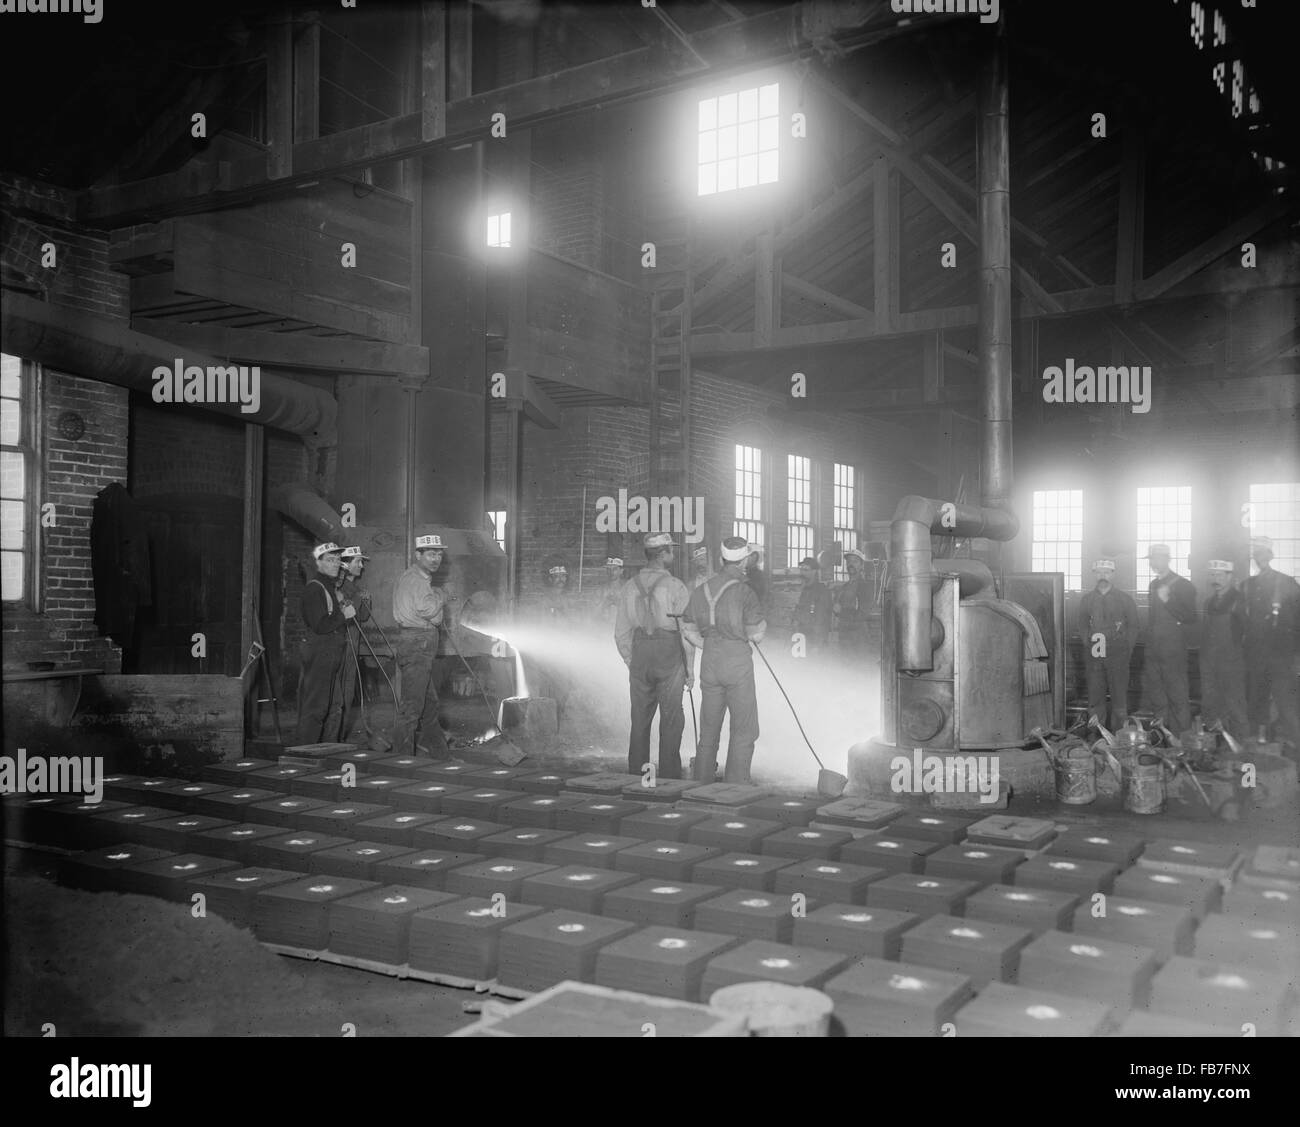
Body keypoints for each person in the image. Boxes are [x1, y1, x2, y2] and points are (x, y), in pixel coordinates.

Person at [681, 535, 767, 784]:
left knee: (708, 731)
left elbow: (687, 630)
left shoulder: (700, 591)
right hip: (737, 663)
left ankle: (702, 785)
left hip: (709, 662)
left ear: (721, 559)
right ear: (743, 563)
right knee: (743, 729)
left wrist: (708, 645)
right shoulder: (744, 592)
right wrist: (760, 626)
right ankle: (736, 787)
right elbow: (757, 635)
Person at [615, 532, 693, 779]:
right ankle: (669, 777)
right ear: (662, 554)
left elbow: (621, 633)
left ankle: (638, 777)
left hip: (640, 654)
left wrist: (632, 661)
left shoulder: (629, 586)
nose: (673, 553)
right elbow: (687, 633)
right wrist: (690, 670)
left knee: (639, 720)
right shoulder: (675, 587)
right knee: (671, 719)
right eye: (671, 549)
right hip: (668, 654)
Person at [391, 533, 452, 758]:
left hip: (418, 645)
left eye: (438, 554)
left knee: (429, 706)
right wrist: (442, 596)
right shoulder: (417, 580)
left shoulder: (415, 577)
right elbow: (427, 610)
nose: (435, 559)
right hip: (418, 644)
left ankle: (440, 756)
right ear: (418, 555)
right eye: (430, 554)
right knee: (412, 708)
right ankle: (401, 760)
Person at [1241, 535, 1299, 752]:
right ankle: (1262, 752)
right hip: (1256, 656)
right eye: (1256, 553)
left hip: (1281, 656)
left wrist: (1296, 656)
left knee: (1287, 706)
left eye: (1263, 553)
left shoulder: (1287, 583)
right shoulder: (1247, 586)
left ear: (1271, 556)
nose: (1259, 557)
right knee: (1257, 705)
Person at [294, 542, 355, 745]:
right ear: (318, 563)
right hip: (321, 651)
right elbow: (320, 625)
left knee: (335, 704)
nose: (336, 563)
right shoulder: (314, 588)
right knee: (316, 707)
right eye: (330, 560)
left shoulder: (328, 586)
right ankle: (306, 753)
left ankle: (329, 751)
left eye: (338, 559)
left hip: (331, 652)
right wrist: (344, 616)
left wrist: (340, 609)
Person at [1141, 543, 1197, 734]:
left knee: (1178, 696)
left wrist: (1168, 600)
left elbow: (1191, 617)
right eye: (1151, 560)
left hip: (1173, 651)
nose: (1153, 563)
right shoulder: (1153, 584)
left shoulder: (1184, 585)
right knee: (1157, 697)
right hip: (1154, 651)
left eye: (1157, 559)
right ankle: (1162, 738)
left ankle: (1182, 742)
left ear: (1167, 559)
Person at [1076, 558, 1139, 730]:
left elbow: (1133, 626)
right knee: (1096, 697)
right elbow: (1081, 624)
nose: (1102, 575)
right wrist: (1088, 643)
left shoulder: (1125, 599)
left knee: (1119, 697)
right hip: (1095, 655)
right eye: (1098, 572)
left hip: (1118, 655)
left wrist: (1127, 649)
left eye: (1106, 572)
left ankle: (1119, 737)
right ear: (1094, 575)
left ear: (1113, 574)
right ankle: (1096, 736)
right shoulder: (1087, 600)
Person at [1200, 559, 1249, 742]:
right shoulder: (1209, 602)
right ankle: (1216, 750)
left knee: (1235, 706)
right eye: (1212, 575)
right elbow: (1205, 633)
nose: (1215, 579)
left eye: (1220, 575)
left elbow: (1248, 634)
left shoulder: (1239, 601)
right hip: (1210, 663)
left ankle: (1241, 752)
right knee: (1211, 707)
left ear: (1230, 576)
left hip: (1232, 662)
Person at [327, 546, 372, 742]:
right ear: (345, 564)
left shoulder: (355, 589)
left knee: (347, 692)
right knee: (338, 695)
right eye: (358, 562)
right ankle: (331, 739)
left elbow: (362, 617)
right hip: (342, 644)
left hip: (353, 642)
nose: (361, 567)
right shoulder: (339, 587)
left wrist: (366, 600)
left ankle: (339, 738)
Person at [833, 548, 872, 654]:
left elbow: (863, 614)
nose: (851, 564)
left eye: (855, 561)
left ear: (861, 565)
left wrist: (842, 611)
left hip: (858, 638)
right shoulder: (844, 587)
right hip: (844, 637)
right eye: (849, 561)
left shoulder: (864, 586)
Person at [792, 555, 832, 655]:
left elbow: (822, 620)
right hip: (802, 637)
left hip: (815, 640)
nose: (802, 573)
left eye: (806, 570)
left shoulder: (822, 591)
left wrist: (817, 645)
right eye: (801, 569)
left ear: (814, 571)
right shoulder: (804, 590)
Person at [593, 556, 626, 624]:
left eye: (615, 569)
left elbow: (633, 612)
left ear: (621, 571)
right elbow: (594, 614)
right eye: (609, 569)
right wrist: (604, 601)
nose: (611, 572)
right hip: (604, 627)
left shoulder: (627, 588)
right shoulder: (600, 590)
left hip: (623, 627)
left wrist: (619, 603)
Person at [744, 543, 771, 616]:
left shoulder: (759, 576)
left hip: (755, 613)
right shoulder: (748, 574)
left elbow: (761, 597)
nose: (743, 559)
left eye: (746, 557)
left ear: (754, 557)